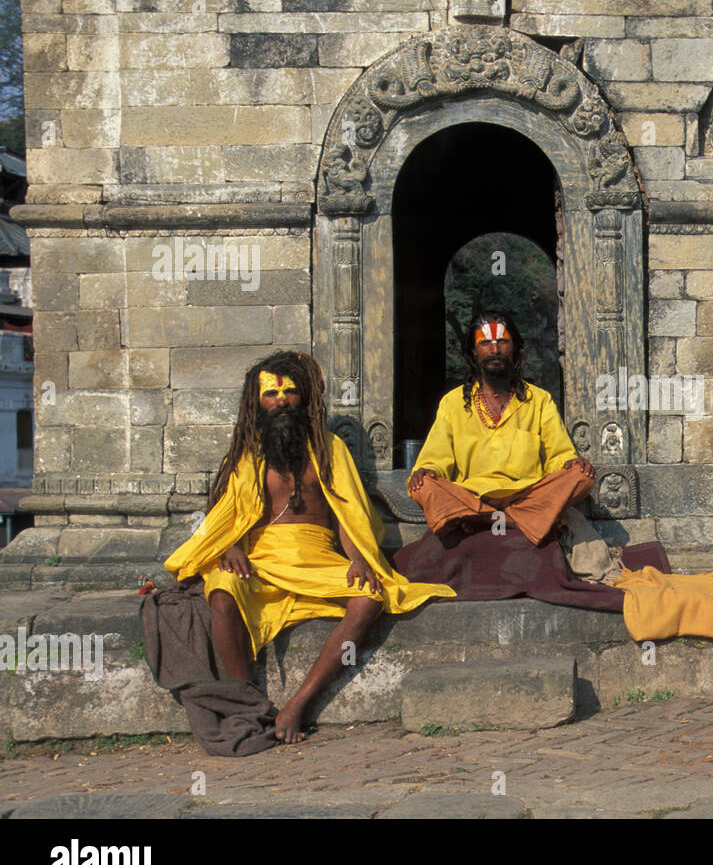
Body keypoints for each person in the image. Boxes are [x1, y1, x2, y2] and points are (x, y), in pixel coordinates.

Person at [164, 351, 454, 743]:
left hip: (317, 557)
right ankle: (248, 705)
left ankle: (298, 705)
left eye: (290, 392)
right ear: (257, 401)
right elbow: (230, 515)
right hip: (261, 559)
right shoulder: (250, 453)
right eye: (271, 394)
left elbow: (348, 515)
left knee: (370, 596)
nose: (281, 401)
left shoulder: (329, 448)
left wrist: (358, 558)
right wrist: (230, 548)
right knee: (221, 592)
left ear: (305, 397)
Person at [406, 311, 596, 545]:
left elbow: (559, 455)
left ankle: (482, 520)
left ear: (514, 348)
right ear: (474, 352)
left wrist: (571, 463)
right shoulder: (453, 402)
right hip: (471, 494)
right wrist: (427, 470)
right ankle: (518, 520)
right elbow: (436, 457)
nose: (495, 350)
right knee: (422, 485)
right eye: (485, 343)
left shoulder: (539, 399)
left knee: (581, 477)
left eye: (502, 342)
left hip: (526, 494)